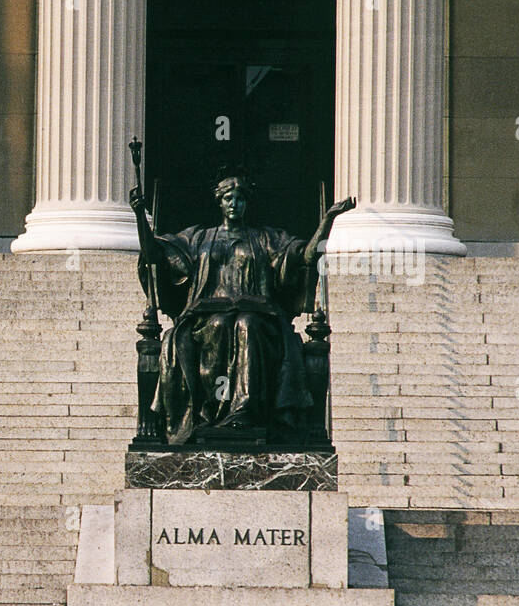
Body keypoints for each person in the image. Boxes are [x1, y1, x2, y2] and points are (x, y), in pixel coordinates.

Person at [130, 173, 355, 445]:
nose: (234, 203)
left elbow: (306, 256)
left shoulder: (266, 239)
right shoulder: (198, 238)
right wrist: (140, 216)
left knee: (245, 324)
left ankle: (243, 412)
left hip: (258, 316)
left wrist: (328, 220)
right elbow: (155, 254)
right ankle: (209, 415)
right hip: (207, 316)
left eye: (239, 198)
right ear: (219, 202)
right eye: (228, 198)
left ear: (246, 203)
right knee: (219, 326)